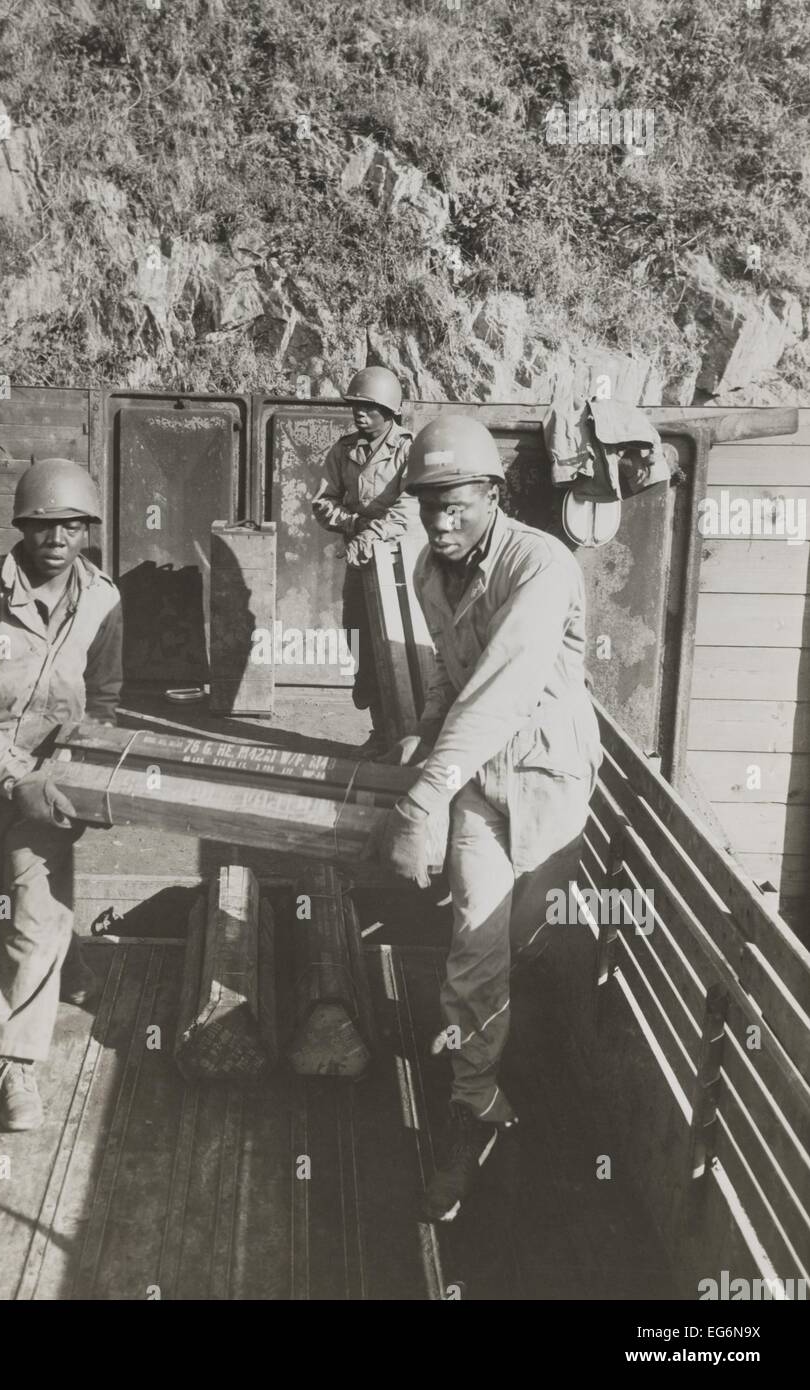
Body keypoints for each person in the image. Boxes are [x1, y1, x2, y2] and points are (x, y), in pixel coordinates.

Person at [376, 414, 602, 1219]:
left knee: (532, 949)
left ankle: (520, 1086)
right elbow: (450, 676)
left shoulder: (540, 565)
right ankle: (474, 1109)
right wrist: (424, 737)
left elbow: (504, 688)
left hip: (548, 786)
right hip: (477, 783)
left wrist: (424, 797)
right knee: (477, 946)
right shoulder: (430, 575)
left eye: (457, 503)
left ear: (493, 495)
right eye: (428, 503)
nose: (441, 520)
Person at [0, 457, 122, 1132]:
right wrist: (14, 775)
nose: (58, 538)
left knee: (33, 920)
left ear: (87, 531)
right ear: (21, 528)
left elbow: (107, 698)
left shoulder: (104, 600)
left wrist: (80, 773)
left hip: (50, 791)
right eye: (44, 525)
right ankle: (58, 965)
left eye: (72, 525)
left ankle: (14, 1065)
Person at [311, 366, 418, 754]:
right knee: (361, 642)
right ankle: (380, 731)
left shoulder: (409, 449)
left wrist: (370, 534)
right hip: (360, 565)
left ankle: (407, 733)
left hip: (402, 567)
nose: (358, 413)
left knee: (402, 647)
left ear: (389, 410)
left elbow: (409, 509)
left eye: (368, 407)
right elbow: (322, 503)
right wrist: (353, 522)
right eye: (355, 406)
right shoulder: (343, 450)